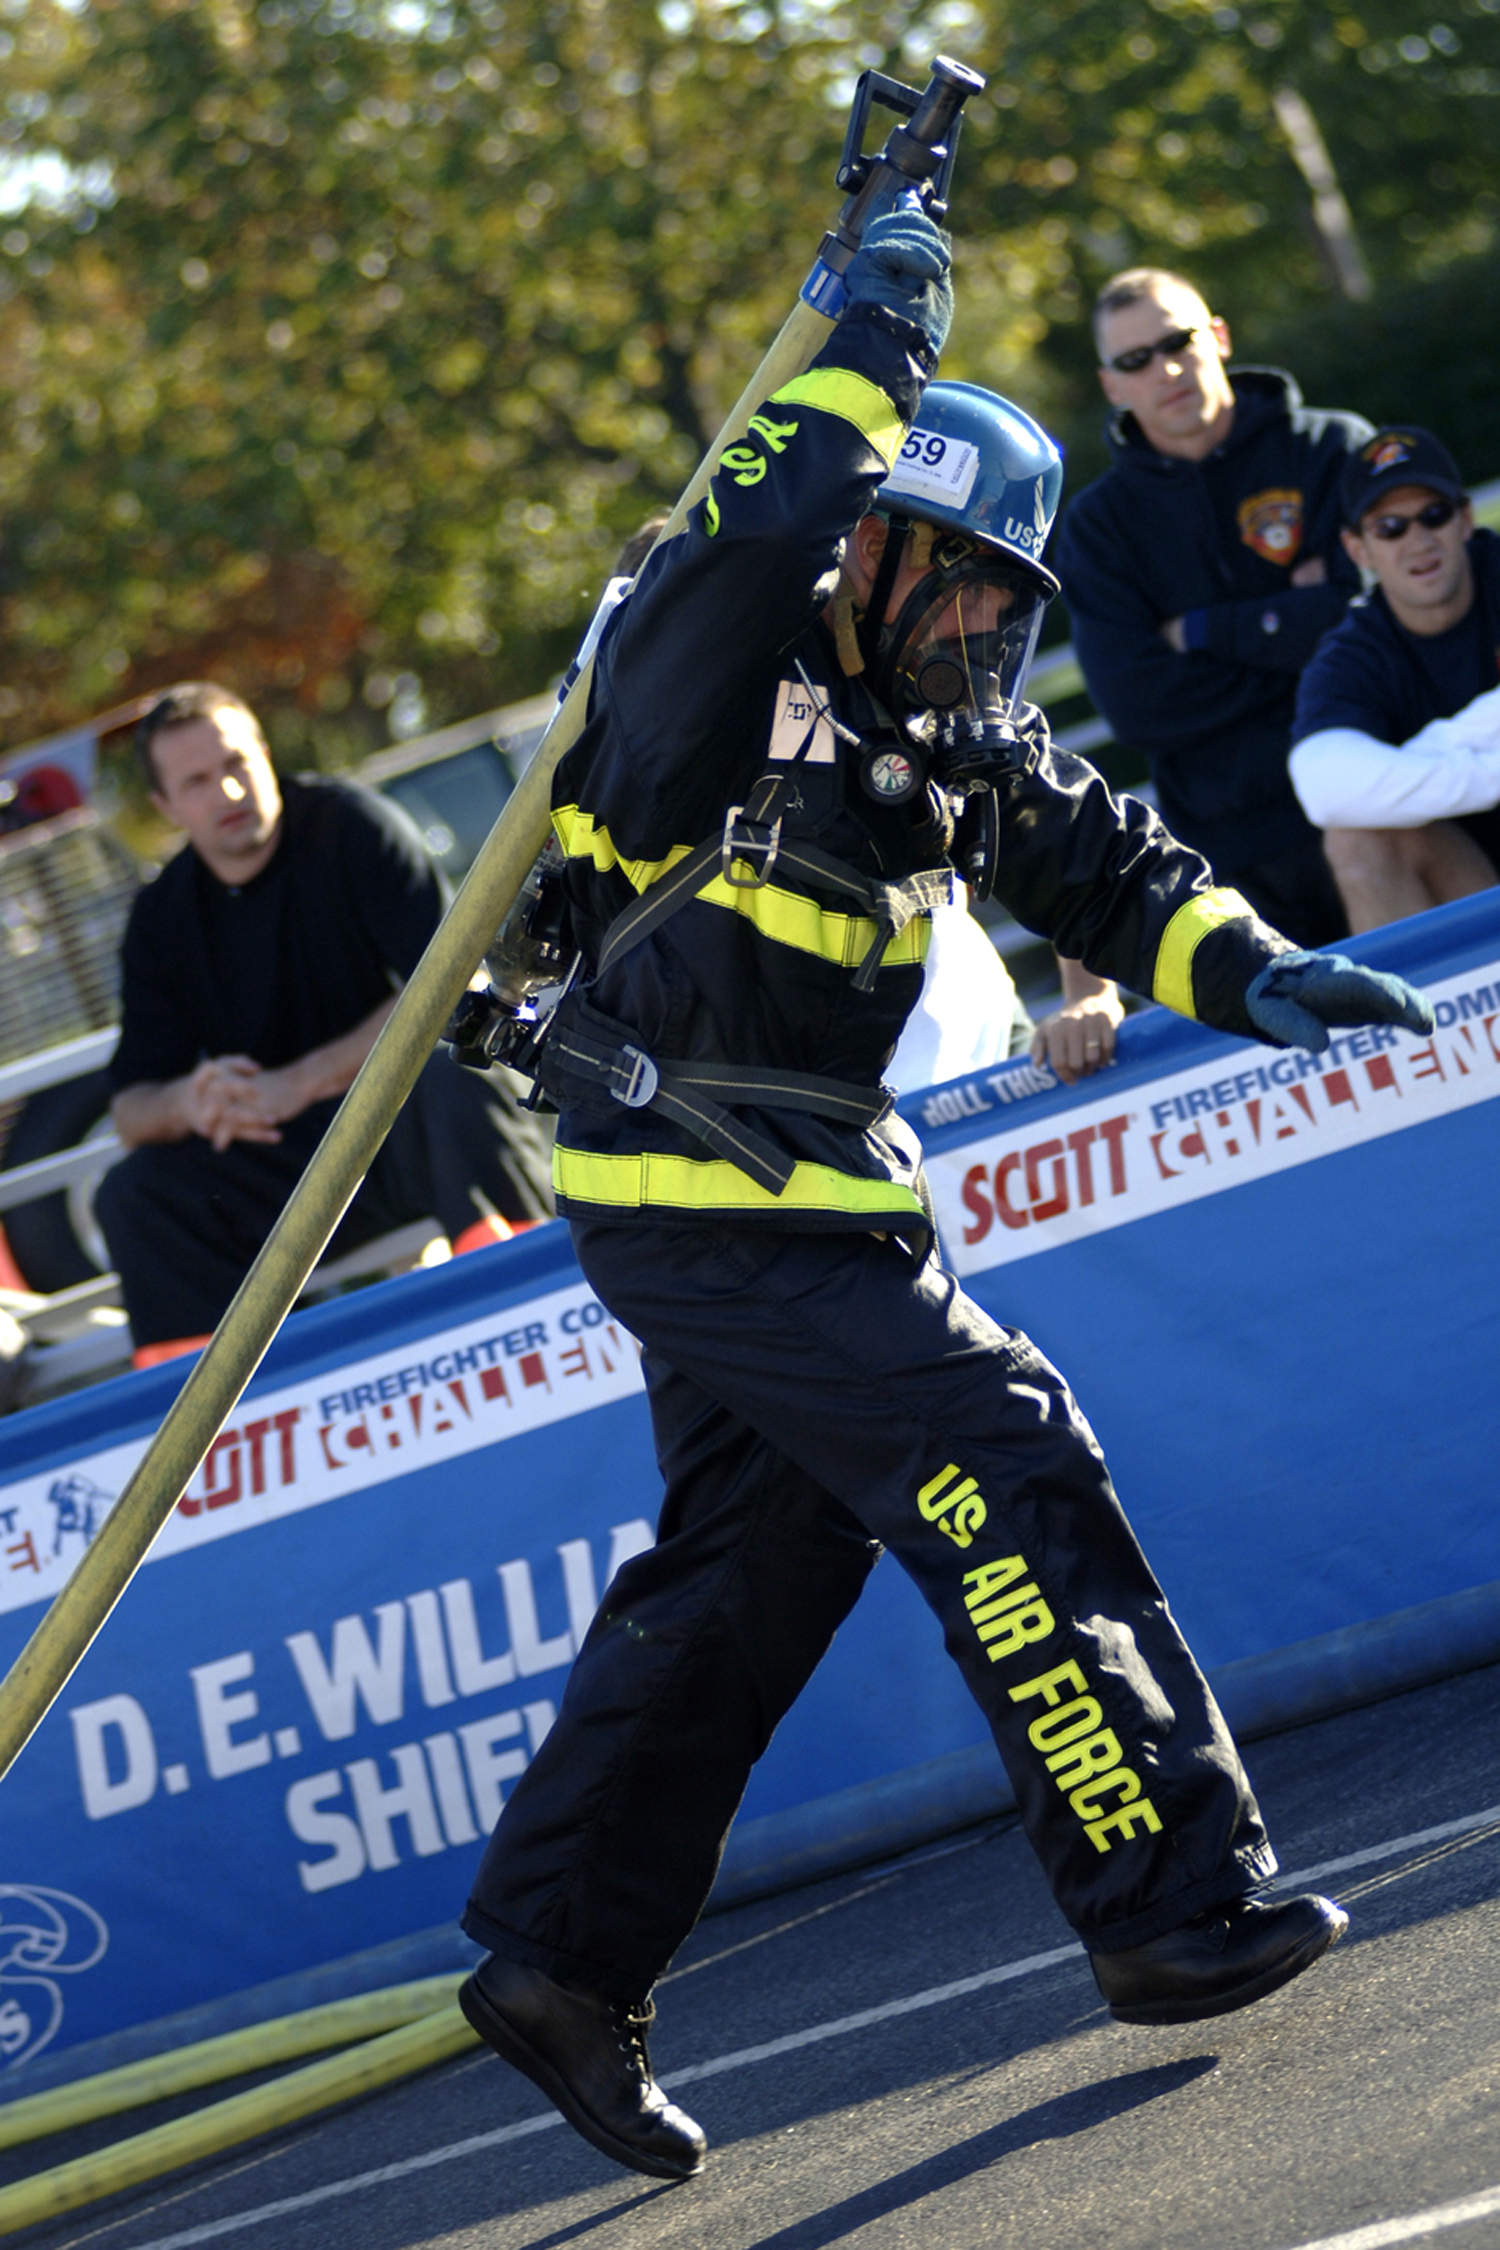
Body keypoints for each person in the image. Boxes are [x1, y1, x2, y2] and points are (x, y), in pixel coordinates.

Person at [451, 203, 1432, 2183]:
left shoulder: (958, 735)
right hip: (689, 1179)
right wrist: (868, 322)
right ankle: (1168, 1906)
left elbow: (1116, 868)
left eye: (1012, 598)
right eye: (955, 578)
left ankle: (558, 1960)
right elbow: (742, 524)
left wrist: (1253, 971)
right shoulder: (705, 678)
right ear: (874, 544)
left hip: (815, 1192)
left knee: (754, 1574)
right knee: (1007, 1445)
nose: (983, 626)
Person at [97, 684, 553, 1366]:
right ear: (166, 808)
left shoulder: (353, 826)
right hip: (287, 1175)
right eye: (197, 781)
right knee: (135, 1194)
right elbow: (132, 1109)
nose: (227, 791)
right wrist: (188, 1101)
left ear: (265, 756)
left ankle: (537, 1311)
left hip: (403, 1135)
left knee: (452, 1073)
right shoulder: (161, 918)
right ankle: (215, 1428)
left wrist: (299, 1081)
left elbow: (451, 984)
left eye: (236, 763)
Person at [1055, 265, 1373, 950]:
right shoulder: (1098, 528)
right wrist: (1297, 622)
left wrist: (1201, 632)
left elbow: (1377, 619)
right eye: (1136, 361)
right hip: (1237, 863)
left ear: (1219, 336)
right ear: (1112, 386)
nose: (1165, 370)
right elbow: (1138, 704)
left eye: (1178, 343)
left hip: (1386, 799)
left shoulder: (1328, 447)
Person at [1289, 428, 1500, 930]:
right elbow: (1322, 783)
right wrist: (1483, 774)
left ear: (1465, 519)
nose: (1419, 541)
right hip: (1479, 891)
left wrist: (1411, 762)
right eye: (1390, 527)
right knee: (1356, 833)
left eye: (1434, 515)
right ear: (1358, 548)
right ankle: (1424, 1010)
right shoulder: (1355, 651)